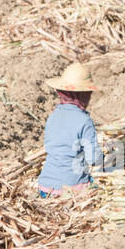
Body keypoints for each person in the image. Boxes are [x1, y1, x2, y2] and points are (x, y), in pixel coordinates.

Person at [36, 62, 103, 196]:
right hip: (70, 189)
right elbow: (93, 159)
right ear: (84, 95)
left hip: (44, 186)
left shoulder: (52, 117)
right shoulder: (84, 121)